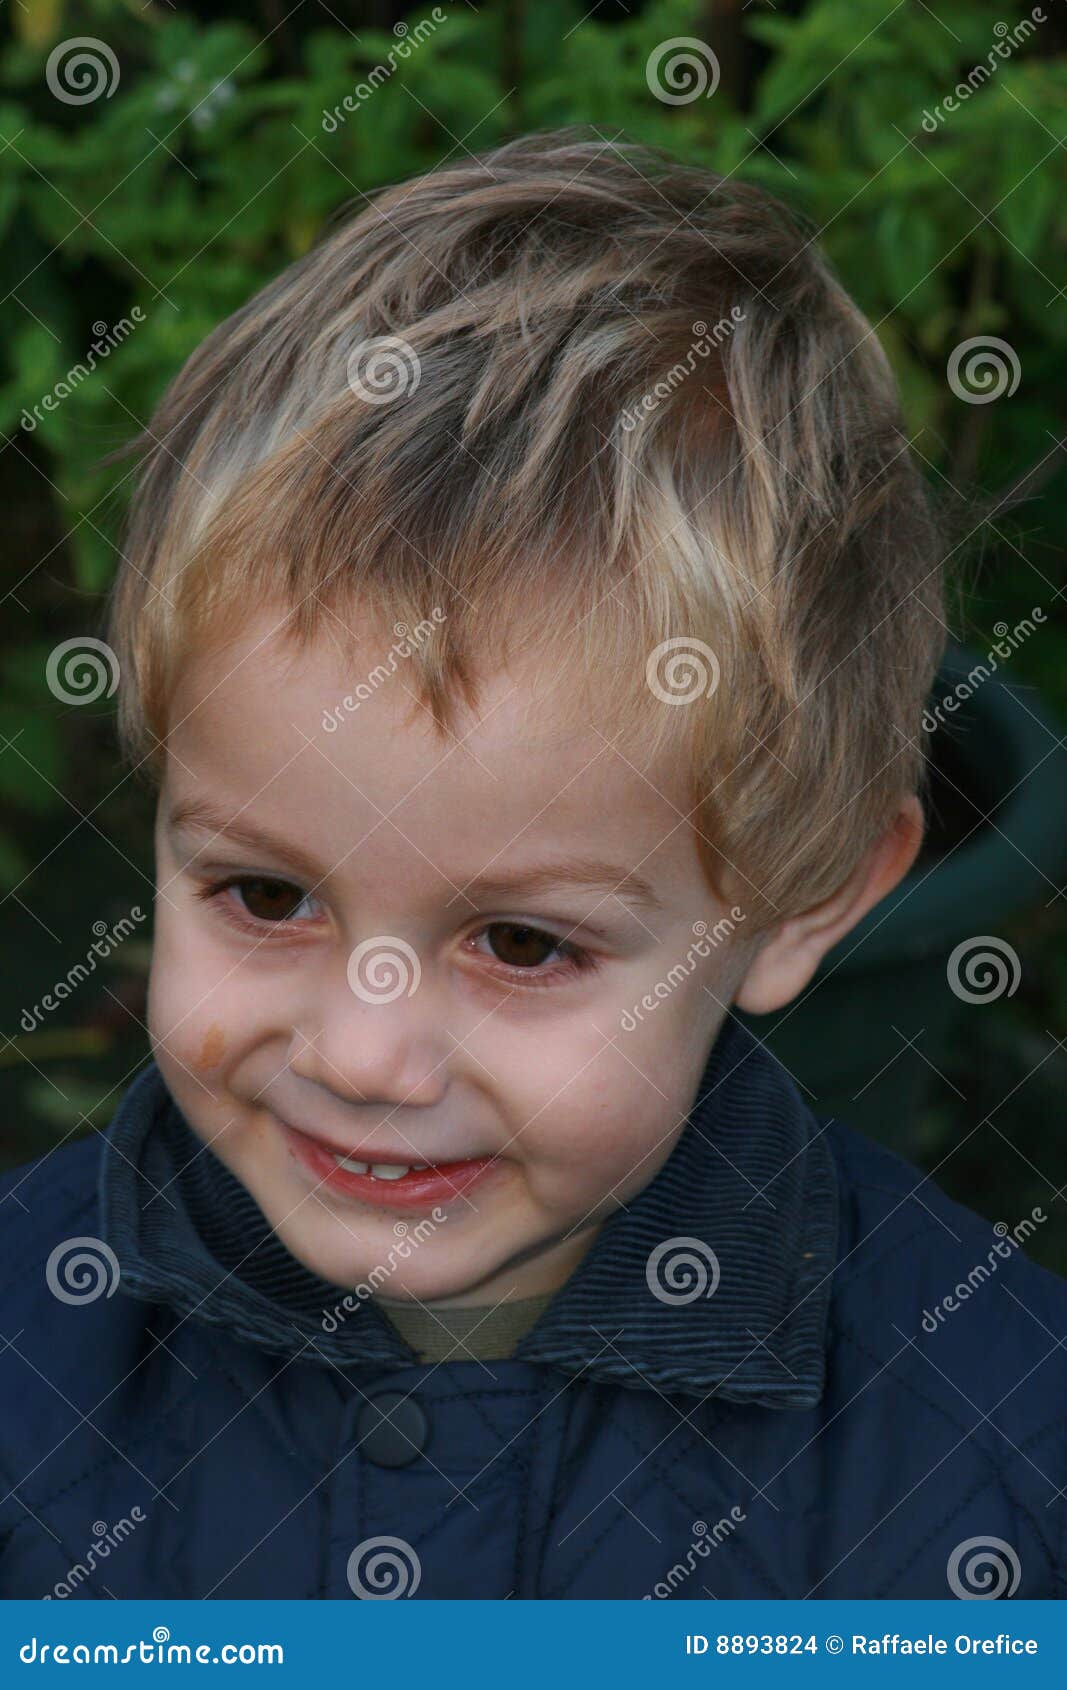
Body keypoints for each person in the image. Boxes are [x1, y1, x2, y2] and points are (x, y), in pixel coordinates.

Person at [2, 127, 1064, 1601]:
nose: (367, 1053)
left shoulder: (996, 1460)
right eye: (266, 895)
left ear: (808, 887)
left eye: (520, 943)